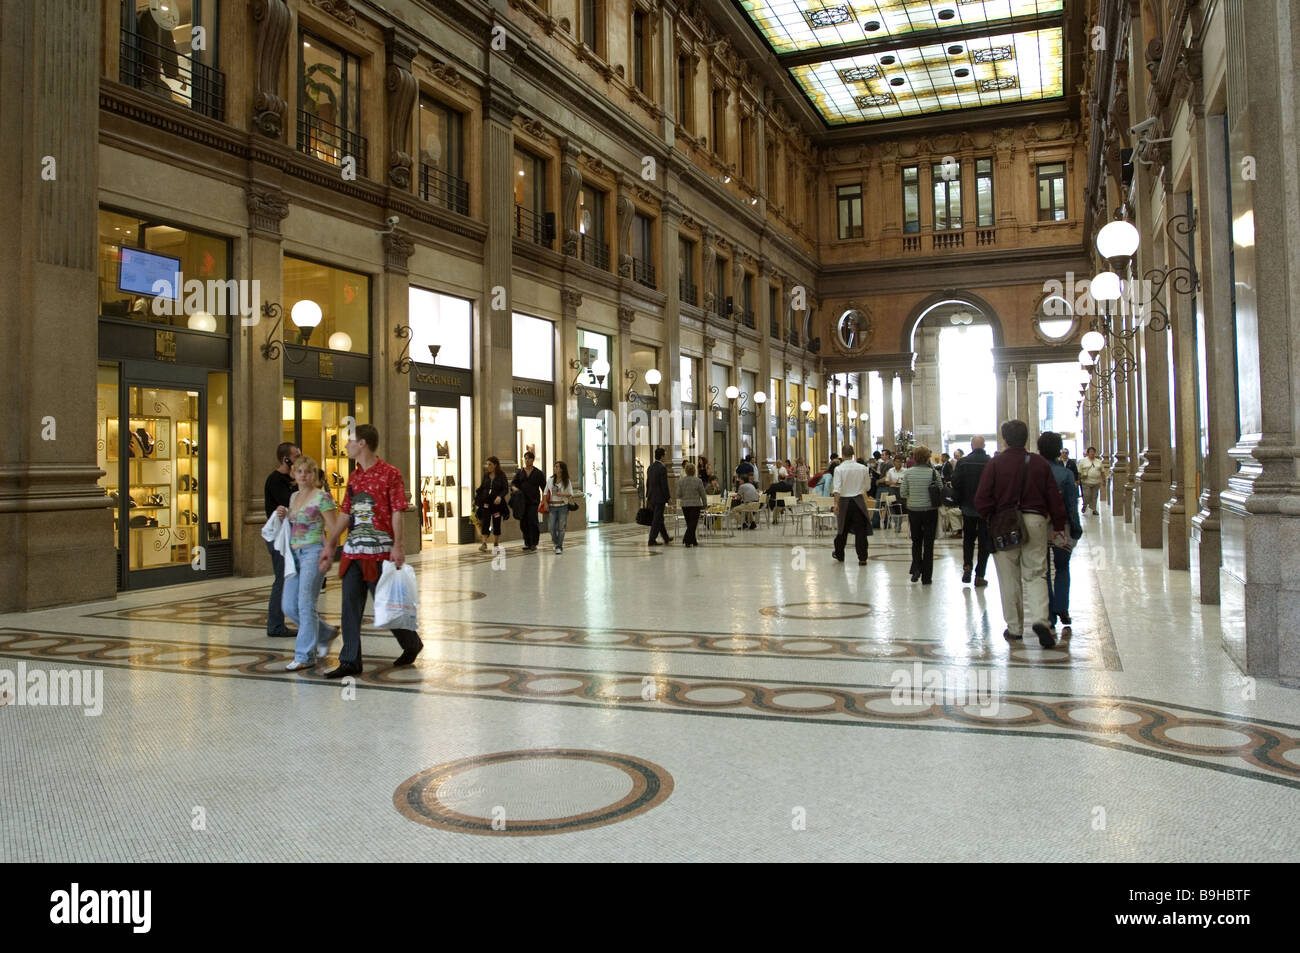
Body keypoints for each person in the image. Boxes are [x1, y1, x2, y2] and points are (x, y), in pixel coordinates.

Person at [318, 424, 422, 678]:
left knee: (388, 606)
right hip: (354, 551)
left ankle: (411, 643)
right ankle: (350, 660)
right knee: (349, 607)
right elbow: (345, 513)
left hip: (380, 552)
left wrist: (398, 545)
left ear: (362, 443)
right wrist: (331, 544)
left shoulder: (390, 473)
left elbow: (398, 510)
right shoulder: (353, 477)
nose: (346, 446)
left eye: (350, 441)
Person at [974, 419, 1069, 648]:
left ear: (1004, 439)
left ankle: (1015, 629)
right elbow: (1053, 497)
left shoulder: (996, 463)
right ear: (1026, 438)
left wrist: (991, 517)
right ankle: (1041, 620)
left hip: (1005, 523)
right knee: (1037, 573)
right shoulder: (1038, 463)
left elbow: (981, 499)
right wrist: (1058, 525)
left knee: (1009, 578)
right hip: (1035, 520)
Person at [281, 456, 342, 670]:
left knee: (306, 604)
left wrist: (329, 552)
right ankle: (325, 633)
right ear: (294, 474)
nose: (304, 475)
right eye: (300, 471)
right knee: (289, 605)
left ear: (313, 475)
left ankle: (305, 655)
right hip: (294, 556)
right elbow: (293, 524)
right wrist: (284, 515)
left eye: (308, 472)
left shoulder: (322, 497)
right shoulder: (294, 497)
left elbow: (335, 528)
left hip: (313, 552)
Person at [1041, 431, 1083, 638]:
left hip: (1040, 526)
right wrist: (1075, 527)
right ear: (1059, 450)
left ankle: (1049, 614)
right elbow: (1071, 504)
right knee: (1062, 567)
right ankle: (1062, 607)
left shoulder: (1034, 472)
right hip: (1062, 526)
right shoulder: (1065, 474)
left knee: (1045, 571)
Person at [264, 441, 300, 638]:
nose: (298, 459)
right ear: (285, 458)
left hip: (290, 535)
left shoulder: (290, 480)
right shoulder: (275, 480)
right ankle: (275, 624)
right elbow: (291, 504)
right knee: (282, 578)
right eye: (295, 456)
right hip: (278, 537)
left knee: (288, 577)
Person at [951, 435, 993, 586]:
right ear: (985, 446)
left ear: (971, 446)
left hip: (968, 507)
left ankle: (967, 566)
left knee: (968, 539)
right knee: (984, 542)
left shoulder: (963, 462)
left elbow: (955, 482)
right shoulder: (990, 462)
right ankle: (980, 575)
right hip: (985, 509)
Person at [899, 445, 941, 584]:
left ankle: (916, 567)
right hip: (930, 511)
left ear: (914, 457)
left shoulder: (908, 473)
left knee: (916, 541)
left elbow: (903, 493)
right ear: (928, 457)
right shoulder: (933, 473)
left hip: (914, 511)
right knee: (929, 544)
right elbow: (940, 488)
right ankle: (927, 577)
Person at [831, 444, 872, 564]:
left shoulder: (839, 469)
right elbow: (867, 487)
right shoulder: (863, 468)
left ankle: (839, 554)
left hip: (844, 501)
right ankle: (862, 557)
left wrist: (836, 504)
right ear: (853, 454)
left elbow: (837, 489)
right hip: (858, 501)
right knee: (860, 531)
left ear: (842, 454)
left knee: (842, 529)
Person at [512, 450, 547, 552]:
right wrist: (514, 488)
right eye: (525, 458)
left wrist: (544, 500)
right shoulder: (520, 472)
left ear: (532, 460)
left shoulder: (538, 473)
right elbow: (514, 483)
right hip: (522, 502)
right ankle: (527, 542)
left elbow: (544, 487)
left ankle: (534, 543)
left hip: (533, 501)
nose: (527, 460)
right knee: (523, 523)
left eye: (529, 459)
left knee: (533, 521)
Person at [474, 456, 510, 551]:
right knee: (485, 521)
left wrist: (500, 496)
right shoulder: (486, 475)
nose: (488, 466)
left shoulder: (501, 475)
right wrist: (475, 498)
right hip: (486, 502)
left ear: (495, 465)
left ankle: (496, 542)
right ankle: (484, 543)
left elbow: (505, 489)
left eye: (490, 464)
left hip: (497, 504)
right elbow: (482, 488)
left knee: (496, 521)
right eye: (487, 464)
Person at [545, 460, 575, 554]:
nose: (555, 468)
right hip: (552, 506)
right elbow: (545, 492)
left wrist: (561, 494)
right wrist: (545, 503)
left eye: (557, 467)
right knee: (551, 527)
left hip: (563, 506)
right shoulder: (550, 480)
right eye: (555, 466)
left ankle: (559, 546)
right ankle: (556, 542)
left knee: (561, 527)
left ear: (562, 469)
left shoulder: (566, 481)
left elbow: (570, 494)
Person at [646, 447, 672, 545]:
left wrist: (647, 495)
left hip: (651, 497)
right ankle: (651, 539)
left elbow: (648, 483)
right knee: (657, 519)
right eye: (664, 455)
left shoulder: (650, 467)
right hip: (660, 498)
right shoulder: (662, 468)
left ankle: (666, 537)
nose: (665, 457)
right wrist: (668, 497)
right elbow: (664, 485)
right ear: (662, 456)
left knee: (659, 518)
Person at [677, 461, 706, 547]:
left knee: (689, 522)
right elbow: (702, 494)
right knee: (693, 523)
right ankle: (687, 539)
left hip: (685, 505)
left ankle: (693, 541)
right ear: (694, 471)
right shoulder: (698, 481)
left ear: (685, 471)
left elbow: (678, 494)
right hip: (695, 505)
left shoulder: (681, 481)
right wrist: (705, 504)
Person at [1077, 446, 1108, 515]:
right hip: (1086, 482)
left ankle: (1093, 509)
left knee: (1094, 496)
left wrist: (1104, 480)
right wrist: (1078, 480)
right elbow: (1079, 472)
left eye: (1093, 452)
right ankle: (1085, 505)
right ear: (1088, 453)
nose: (1092, 453)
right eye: (1090, 452)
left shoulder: (1099, 461)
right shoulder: (1083, 461)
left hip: (1096, 482)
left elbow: (1102, 472)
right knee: (1087, 495)